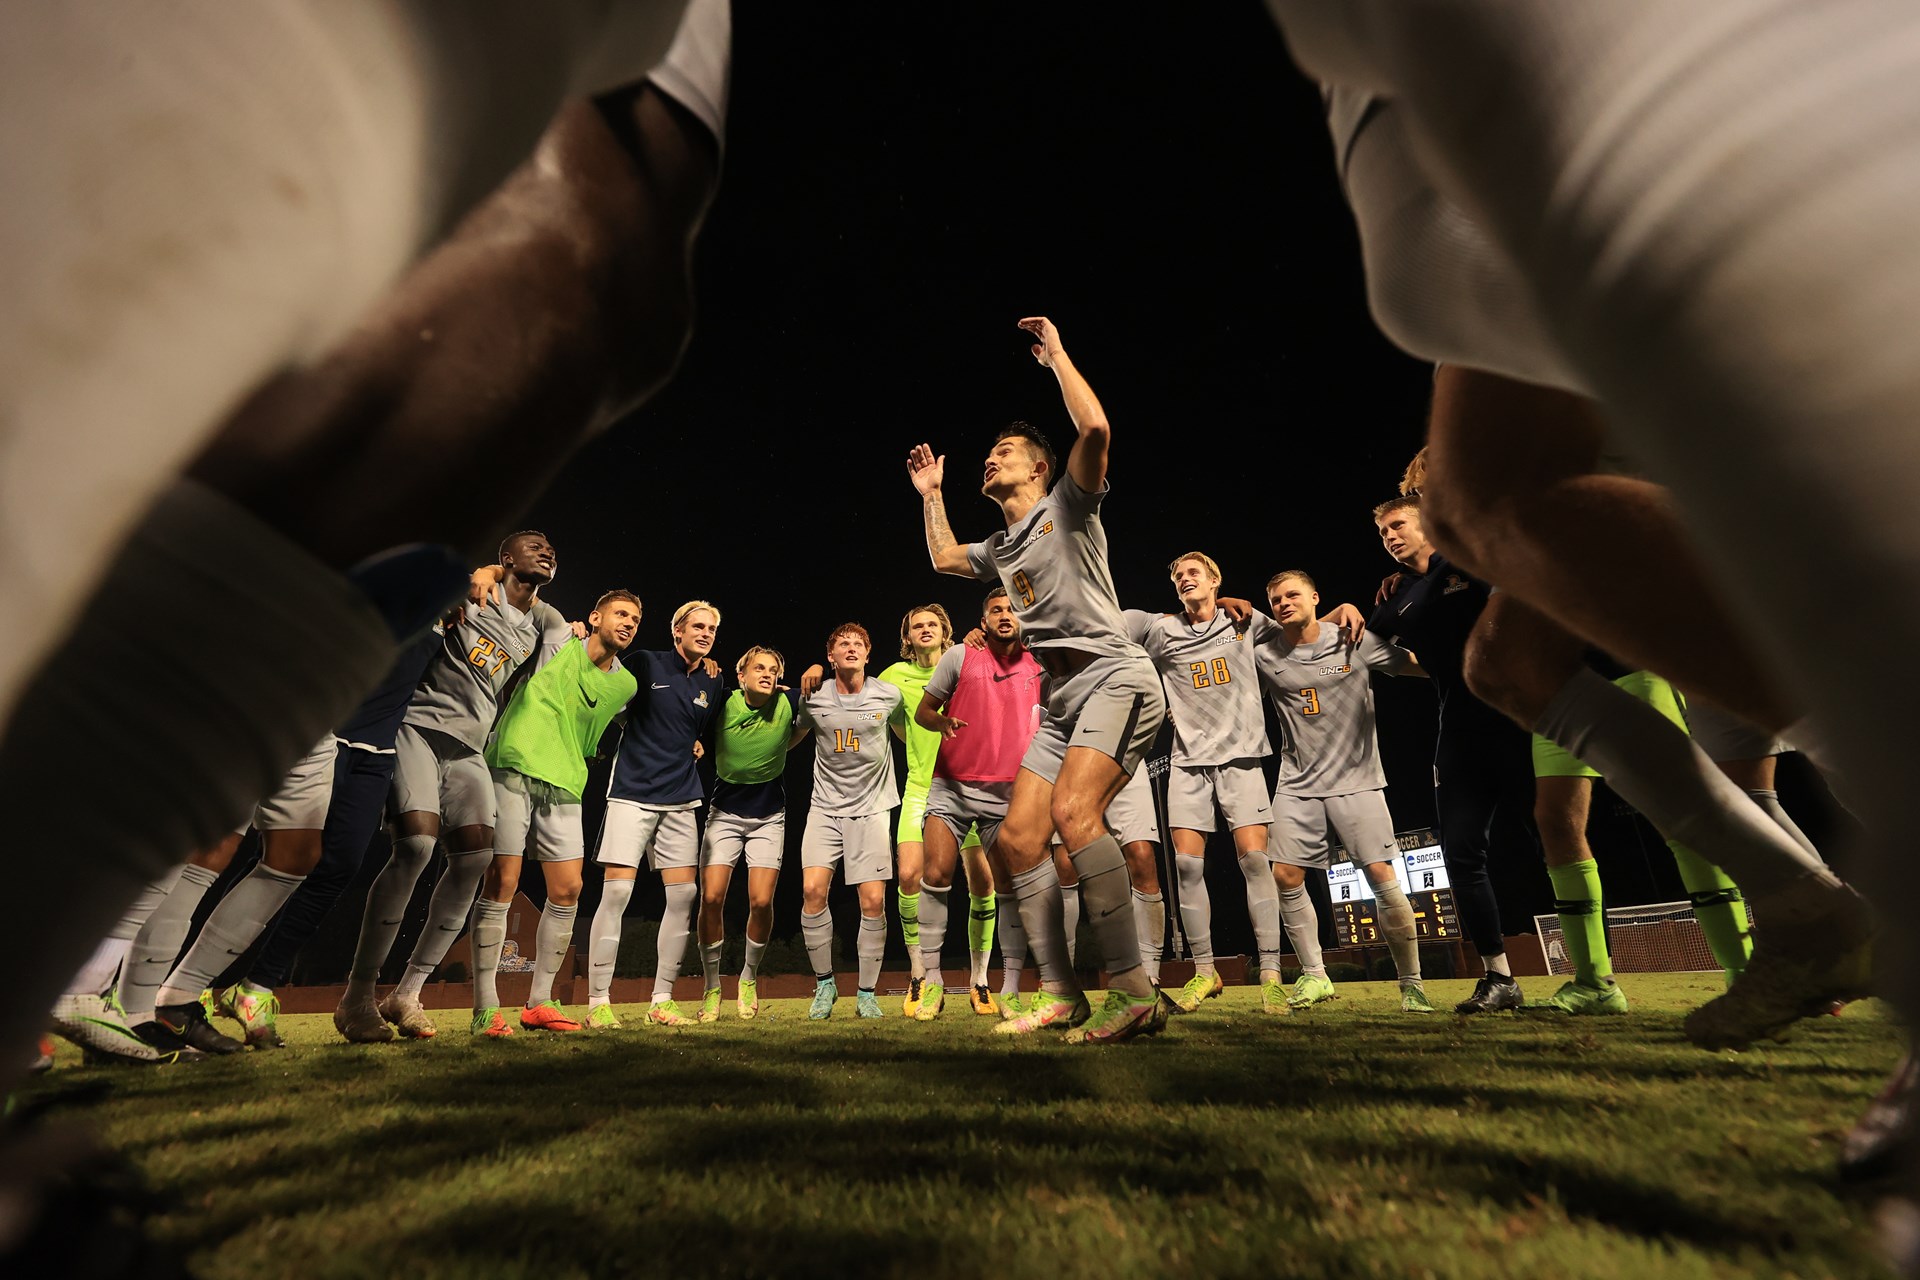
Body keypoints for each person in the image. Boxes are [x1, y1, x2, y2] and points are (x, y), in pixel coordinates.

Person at [0, 0, 730, 1081]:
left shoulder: (545, 631)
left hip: (384, 727)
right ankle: (91, 980)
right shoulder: (506, 605)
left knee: (616, 277)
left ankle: (140, 985)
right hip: (381, 731)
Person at [908, 315, 1169, 1044]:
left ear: (1038, 471)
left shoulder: (1068, 506)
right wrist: (932, 492)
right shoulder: (1001, 545)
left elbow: (1096, 432)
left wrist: (1056, 358)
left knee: (1074, 815)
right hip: (1061, 703)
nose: (990, 460)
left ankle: (1132, 990)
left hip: (1115, 679)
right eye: (988, 453)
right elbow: (944, 562)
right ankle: (1063, 995)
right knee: (1018, 842)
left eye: (1004, 453)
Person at [336, 533, 571, 1042]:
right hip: (419, 726)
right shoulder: (474, 591)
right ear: (507, 558)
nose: (548, 550)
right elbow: (446, 595)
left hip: (470, 746)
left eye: (552, 547)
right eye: (535, 545)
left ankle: (407, 993)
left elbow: (542, 681)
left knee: (474, 860)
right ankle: (357, 996)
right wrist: (479, 576)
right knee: (416, 846)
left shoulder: (547, 621)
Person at [1368, 496, 1534, 1013]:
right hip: (1457, 733)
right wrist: (1346, 610)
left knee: (1550, 838)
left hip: (1518, 721)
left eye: (1399, 524)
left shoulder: (1470, 563)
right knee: (1461, 852)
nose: (1391, 536)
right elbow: (1367, 645)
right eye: (1383, 532)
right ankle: (1499, 976)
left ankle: (1594, 974)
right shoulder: (1398, 600)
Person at [1252, 570, 1433, 1012]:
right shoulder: (1264, 654)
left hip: (1358, 781)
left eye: (1292, 594)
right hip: (1297, 784)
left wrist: (1465, 671)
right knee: (1285, 877)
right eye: (1275, 599)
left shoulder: (1354, 639)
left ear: (1315, 596)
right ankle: (1316, 975)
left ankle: (1411, 984)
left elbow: (1413, 665)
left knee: (1381, 877)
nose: (1283, 603)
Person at [470, 589, 642, 1036]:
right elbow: (521, 592)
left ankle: (539, 1003)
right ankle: (486, 1008)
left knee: (568, 889)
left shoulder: (626, 684)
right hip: (513, 764)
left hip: (567, 780)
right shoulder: (557, 636)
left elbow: (629, 722)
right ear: (594, 615)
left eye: (635, 619)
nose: (628, 622)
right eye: (620, 614)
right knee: (503, 880)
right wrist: (489, 572)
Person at [1124, 554, 1285, 1015]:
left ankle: (1271, 974)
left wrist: (1342, 613)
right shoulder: (1159, 631)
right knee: (1187, 868)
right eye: (1177, 576)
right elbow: (1108, 632)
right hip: (1188, 762)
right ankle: (1204, 971)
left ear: (1216, 580)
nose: (1184, 579)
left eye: (1194, 573)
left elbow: (1302, 636)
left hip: (1241, 757)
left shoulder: (1247, 621)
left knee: (1255, 860)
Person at [585, 601, 724, 1028]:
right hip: (631, 793)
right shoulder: (645, 663)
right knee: (616, 895)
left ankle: (661, 1000)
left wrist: (695, 745)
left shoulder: (712, 682)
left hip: (681, 798)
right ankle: (597, 1003)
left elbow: (695, 733)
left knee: (683, 897)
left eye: (712, 629)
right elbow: (613, 699)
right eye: (697, 626)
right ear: (676, 630)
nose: (705, 633)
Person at [913, 588, 1046, 1019]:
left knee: (1006, 887)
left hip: (1008, 790)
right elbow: (923, 712)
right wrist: (943, 721)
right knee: (934, 872)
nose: (1005, 615)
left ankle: (1008, 987)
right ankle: (931, 981)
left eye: (1012, 609)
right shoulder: (959, 655)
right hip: (950, 785)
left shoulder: (1039, 660)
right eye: (996, 610)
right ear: (983, 621)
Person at [793, 624, 906, 1020]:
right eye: (844, 644)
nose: (852, 648)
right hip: (824, 809)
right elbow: (791, 737)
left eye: (859, 643)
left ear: (868, 654)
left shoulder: (889, 695)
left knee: (873, 901)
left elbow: (909, 736)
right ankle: (825, 985)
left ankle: (866, 993)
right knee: (811, 892)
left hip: (873, 809)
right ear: (831, 656)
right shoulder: (814, 696)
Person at [696, 646, 810, 1021]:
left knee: (760, 902)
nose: (767, 674)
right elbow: (692, 717)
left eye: (774, 670)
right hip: (724, 812)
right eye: (759, 668)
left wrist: (813, 668)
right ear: (741, 674)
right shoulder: (722, 702)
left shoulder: (788, 701)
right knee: (711, 898)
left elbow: (819, 689)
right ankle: (712, 986)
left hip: (768, 816)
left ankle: (748, 976)